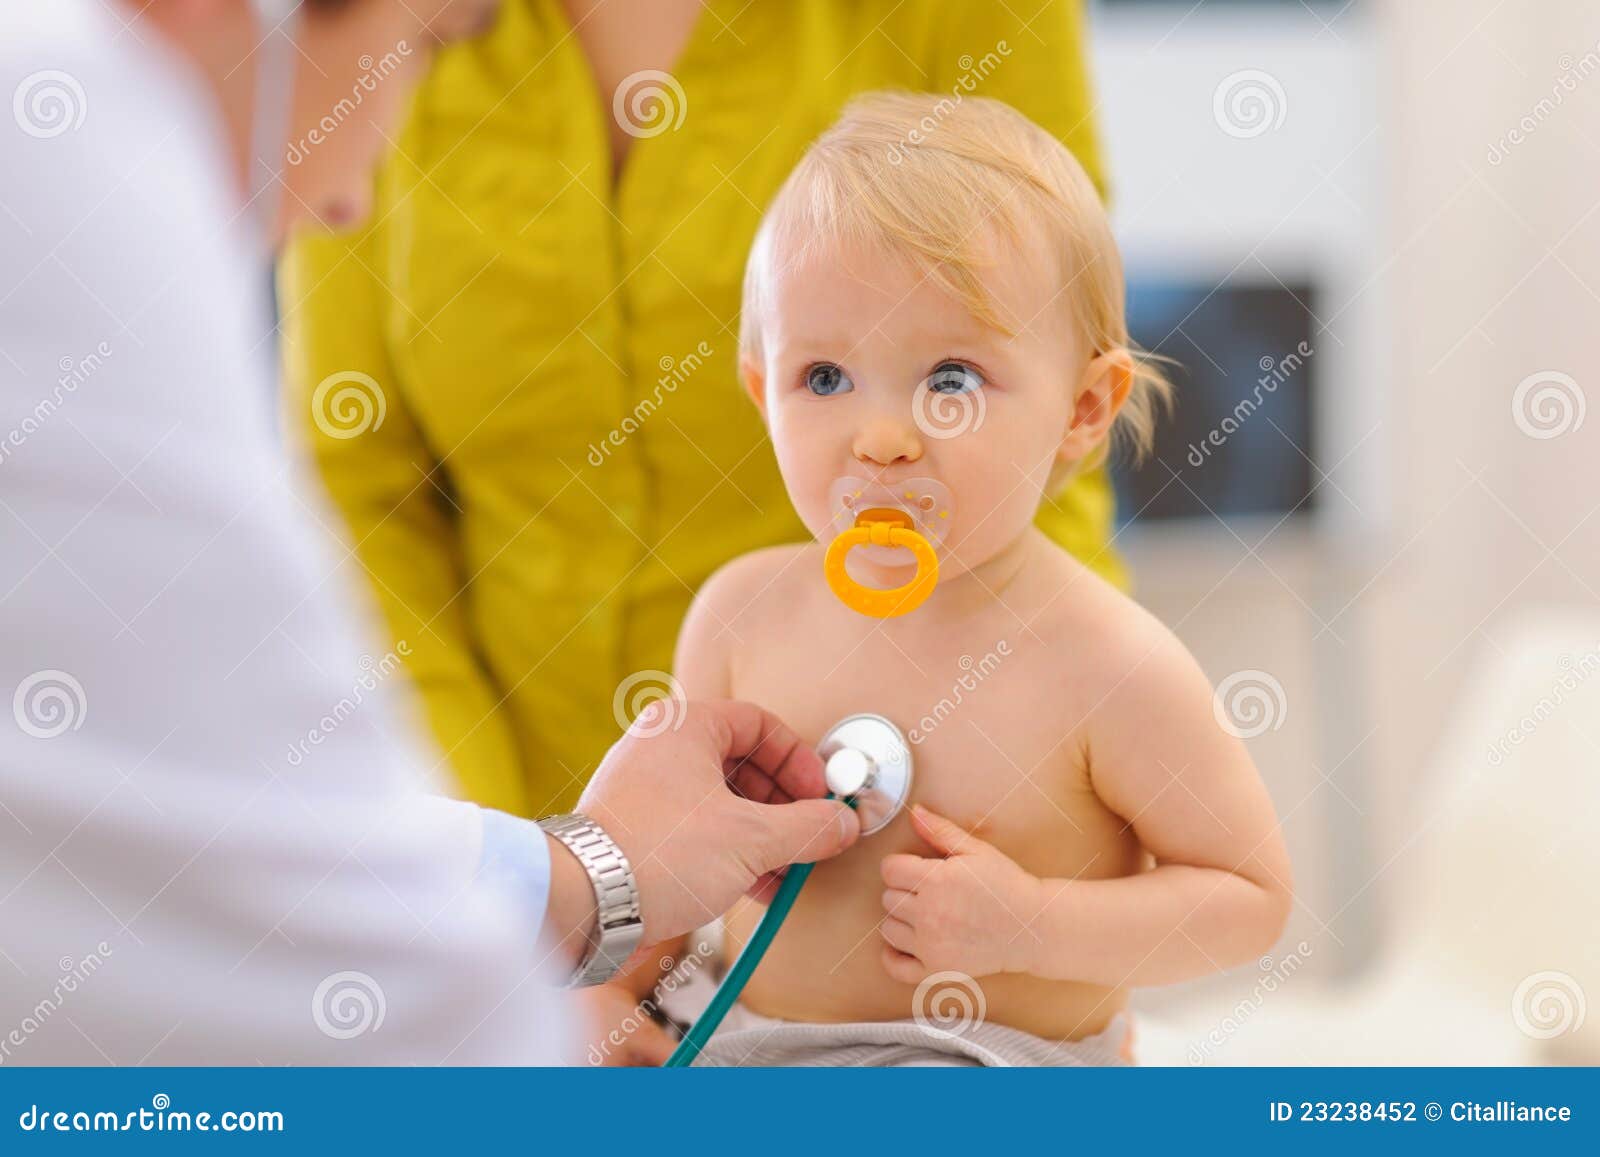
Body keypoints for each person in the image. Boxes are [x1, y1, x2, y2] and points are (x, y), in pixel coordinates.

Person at [0, 0, 855, 1065]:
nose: (350, 194)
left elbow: (220, 823)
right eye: (419, 47)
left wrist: (589, 878)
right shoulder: (69, 159)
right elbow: (338, 975)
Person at [278, 0, 1125, 819]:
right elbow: (352, 483)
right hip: (502, 842)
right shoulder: (367, 25)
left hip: (883, 822)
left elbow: (1041, 386)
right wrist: (508, 870)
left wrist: (1019, 802)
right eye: (822, 378)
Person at [595, 94, 1293, 1066]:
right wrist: (622, 989)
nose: (882, 439)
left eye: (951, 379)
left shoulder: (1106, 661)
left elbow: (1247, 899)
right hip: (740, 1043)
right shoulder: (739, 615)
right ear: (764, 390)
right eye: (826, 378)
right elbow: (680, 859)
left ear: (1084, 408)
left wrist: (1033, 923)